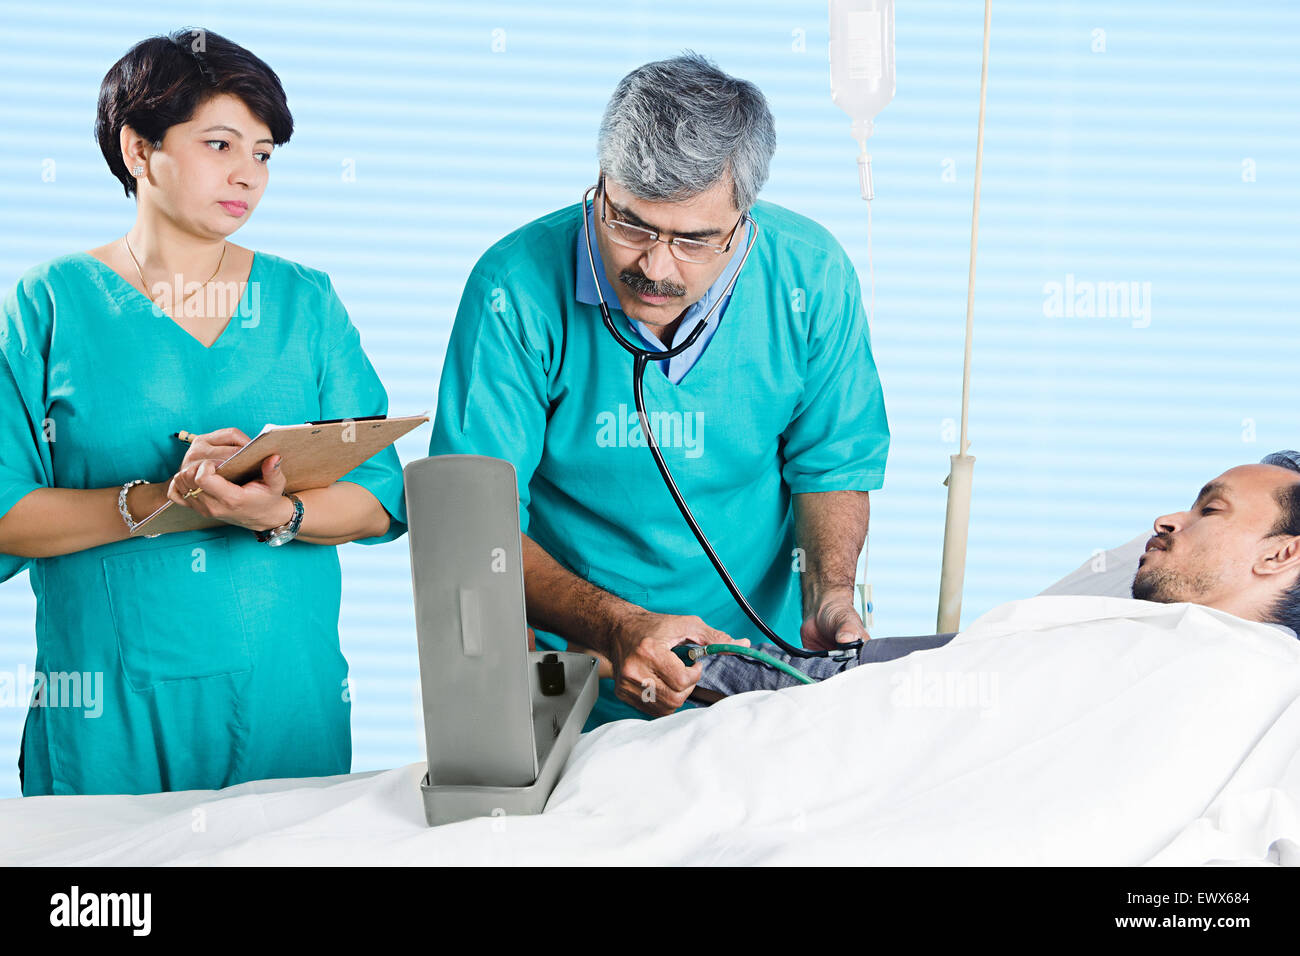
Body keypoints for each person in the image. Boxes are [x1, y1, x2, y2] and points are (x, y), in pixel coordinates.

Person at [0, 29, 406, 795]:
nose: (247, 175)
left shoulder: (305, 304)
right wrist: (164, 501)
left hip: (287, 700)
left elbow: (380, 496)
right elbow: (6, 513)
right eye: (220, 144)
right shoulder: (49, 305)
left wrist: (274, 512)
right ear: (138, 149)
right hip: (109, 713)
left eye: (262, 154)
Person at [430, 53, 889, 726]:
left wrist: (830, 593)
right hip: (579, 672)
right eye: (630, 224)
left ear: (744, 222)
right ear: (600, 184)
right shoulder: (515, 288)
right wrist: (617, 627)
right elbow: (474, 523)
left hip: (766, 670)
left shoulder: (811, 277)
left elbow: (833, 465)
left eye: (695, 241)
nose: (654, 266)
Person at [691, 452, 1300, 697]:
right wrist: (682, 656)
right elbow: (846, 683)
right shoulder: (1070, 640)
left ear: (1281, 555)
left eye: (1209, 510)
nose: (1167, 520)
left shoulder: (1271, 708)